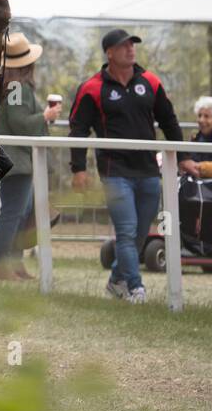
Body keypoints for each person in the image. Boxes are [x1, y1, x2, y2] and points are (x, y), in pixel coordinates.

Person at [68, 28, 183, 304]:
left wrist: (184, 157)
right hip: (114, 171)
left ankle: (115, 281)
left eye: (133, 45)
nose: (131, 49)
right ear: (109, 53)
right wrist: (78, 169)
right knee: (127, 231)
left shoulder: (152, 82)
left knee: (140, 234)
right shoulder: (92, 88)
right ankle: (135, 287)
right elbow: (78, 130)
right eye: (124, 46)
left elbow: (170, 122)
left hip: (147, 171)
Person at [0, 33, 57, 280]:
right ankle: (3, 265)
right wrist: (45, 117)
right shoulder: (17, 87)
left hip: (16, 160)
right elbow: (20, 122)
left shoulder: (9, 85)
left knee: (20, 211)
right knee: (13, 213)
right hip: (17, 161)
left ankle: (14, 263)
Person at [178, 96, 212, 179]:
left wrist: (199, 167)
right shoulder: (195, 138)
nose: (201, 120)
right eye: (199, 115)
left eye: (206, 116)